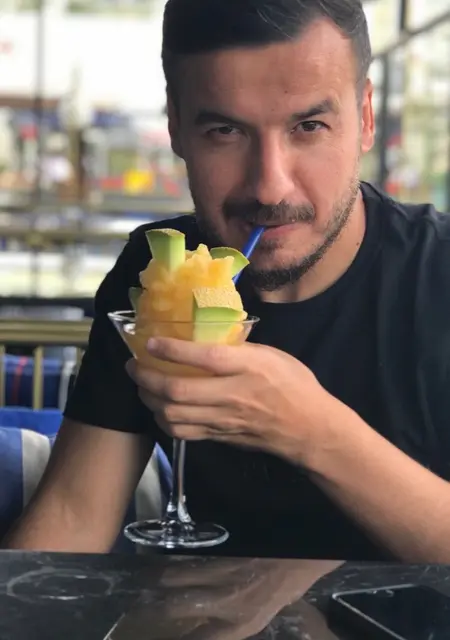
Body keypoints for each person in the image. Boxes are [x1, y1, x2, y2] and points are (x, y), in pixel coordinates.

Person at [4, 0, 450, 562]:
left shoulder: (438, 272)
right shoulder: (162, 271)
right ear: (175, 127)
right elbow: (73, 514)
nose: (269, 186)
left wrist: (313, 432)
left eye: (308, 126)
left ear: (364, 118)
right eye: (225, 131)